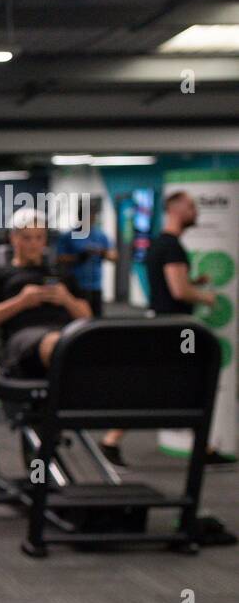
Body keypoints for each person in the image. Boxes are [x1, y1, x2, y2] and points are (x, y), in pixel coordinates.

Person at [100, 190, 229, 467]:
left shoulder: (161, 244)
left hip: (167, 325)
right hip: (177, 330)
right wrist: (207, 296)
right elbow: (178, 290)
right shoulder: (171, 247)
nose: (196, 212)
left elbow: (174, 284)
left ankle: (201, 448)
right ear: (176, 210)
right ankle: (110, 440)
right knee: (167, 386)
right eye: (191, 207)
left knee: (180, 386)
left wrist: (195, 280)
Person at [0, 209, 92, 379]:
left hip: (67, 332)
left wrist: (67, 299)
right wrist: (21, 302)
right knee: (59, 345)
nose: (34, 244)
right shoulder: (1, 273)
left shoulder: (61, 273)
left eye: (39, 237)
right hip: (25, 338)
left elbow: (87, 316)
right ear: (14, 238)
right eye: (27, 238)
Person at [55, 212, 115, 316]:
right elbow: (59, 258)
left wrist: (101, 252)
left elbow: (113, 256)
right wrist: (78, 257)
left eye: (91, 217)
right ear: (80, 217)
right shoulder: (69, 236)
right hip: (77, 286)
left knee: (97, 320)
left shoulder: (101, 236)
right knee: (78, 319)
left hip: (95, 286)